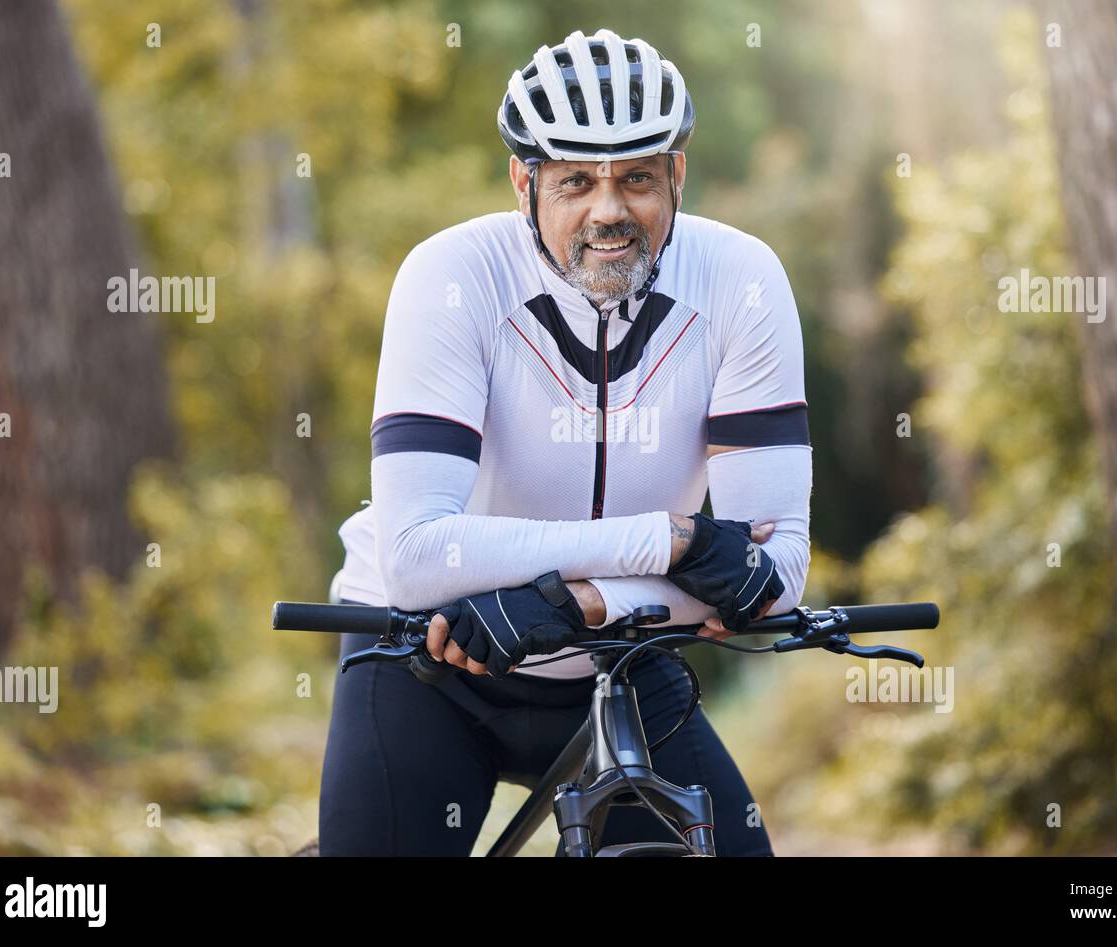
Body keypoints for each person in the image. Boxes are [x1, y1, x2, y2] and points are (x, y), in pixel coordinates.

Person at [319, 27, 812, 856]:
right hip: (426, 651)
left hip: (621, 654)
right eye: (577, 180)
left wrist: (584, 602)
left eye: (638, 179)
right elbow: (414, 554)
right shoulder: (450, 278)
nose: (609, 210)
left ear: (677, 177)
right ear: (525, 180)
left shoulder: (743, 282)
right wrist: (670, 542)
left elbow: (772, 573)